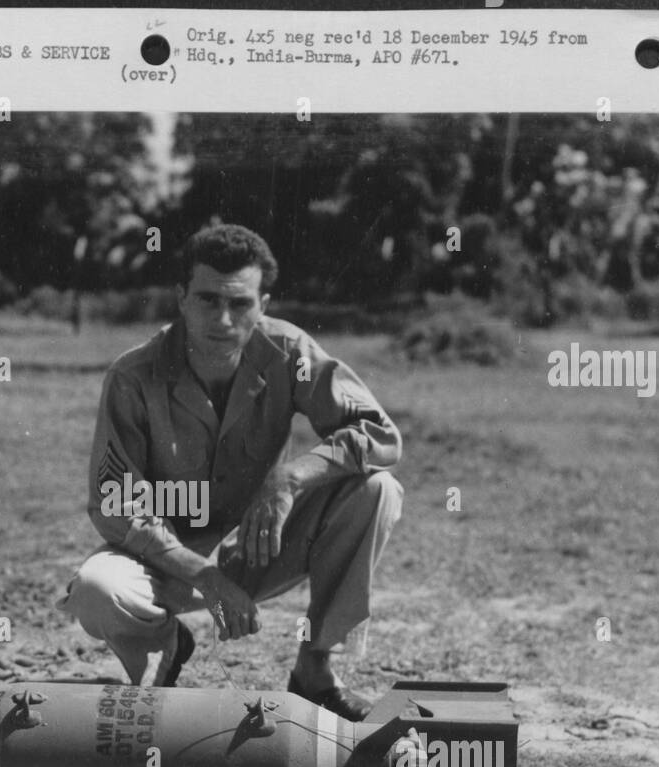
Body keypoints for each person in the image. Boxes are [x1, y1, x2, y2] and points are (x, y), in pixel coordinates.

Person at [59, 224, 404, 720]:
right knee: (95, 591)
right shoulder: (133, 376)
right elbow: (115, 506)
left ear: (264, 303)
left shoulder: (290, 353)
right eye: (206, 300)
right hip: (168, 560)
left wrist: (290, 478)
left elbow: (381, 433)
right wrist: (205, 576)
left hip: (264, 541)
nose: (222, 320)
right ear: (180, 298)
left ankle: (315, 671)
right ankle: (165, 649)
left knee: (377, 489)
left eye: (240, 304)